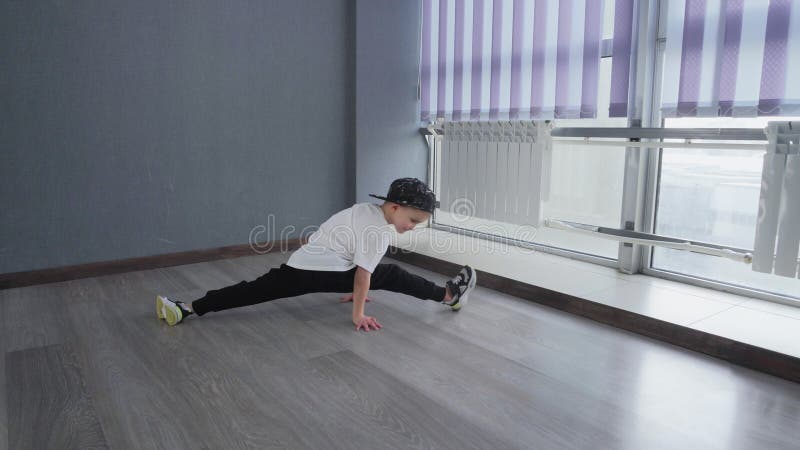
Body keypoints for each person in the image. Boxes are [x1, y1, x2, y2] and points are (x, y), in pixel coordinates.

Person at [156, 177, 477, 332]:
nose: (413, 227)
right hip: (323, 269)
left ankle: (188, 308)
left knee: (254, 289)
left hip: (305, 262)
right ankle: (449, 295)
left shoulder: (366, 211)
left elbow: (346, 249)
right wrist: (358, 313)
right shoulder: (378, 231)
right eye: (413, 221)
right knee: (389, 274)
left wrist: (352, 286)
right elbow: (365, 274)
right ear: (394, 208)